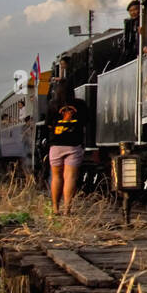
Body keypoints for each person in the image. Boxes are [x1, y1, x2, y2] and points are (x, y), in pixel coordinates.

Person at [47, 82, 88, 216]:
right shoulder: (80, 104)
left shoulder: (52, 105)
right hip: (73, 145)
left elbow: (48, 124)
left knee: (56, 176)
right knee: (70, 177)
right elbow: (85, 122)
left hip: (56, 145)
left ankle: (55, 208)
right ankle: (67, 209)